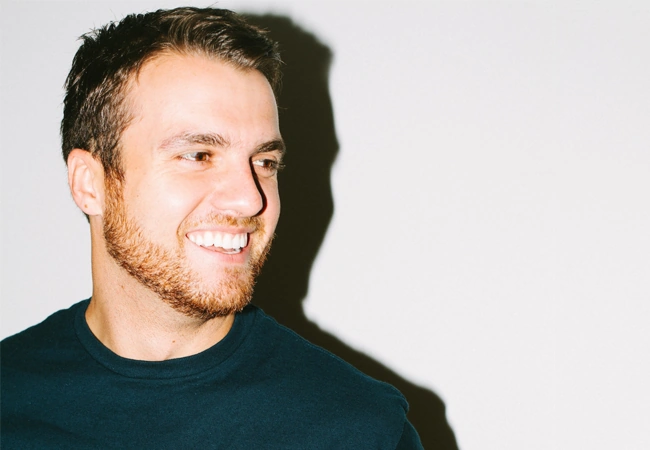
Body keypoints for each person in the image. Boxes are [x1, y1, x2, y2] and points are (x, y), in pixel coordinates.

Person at [1, 7, 423, 449]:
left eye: (265, 162)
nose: (250, 199)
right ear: (90, 184)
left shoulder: (360, 430)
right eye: (198, 155)